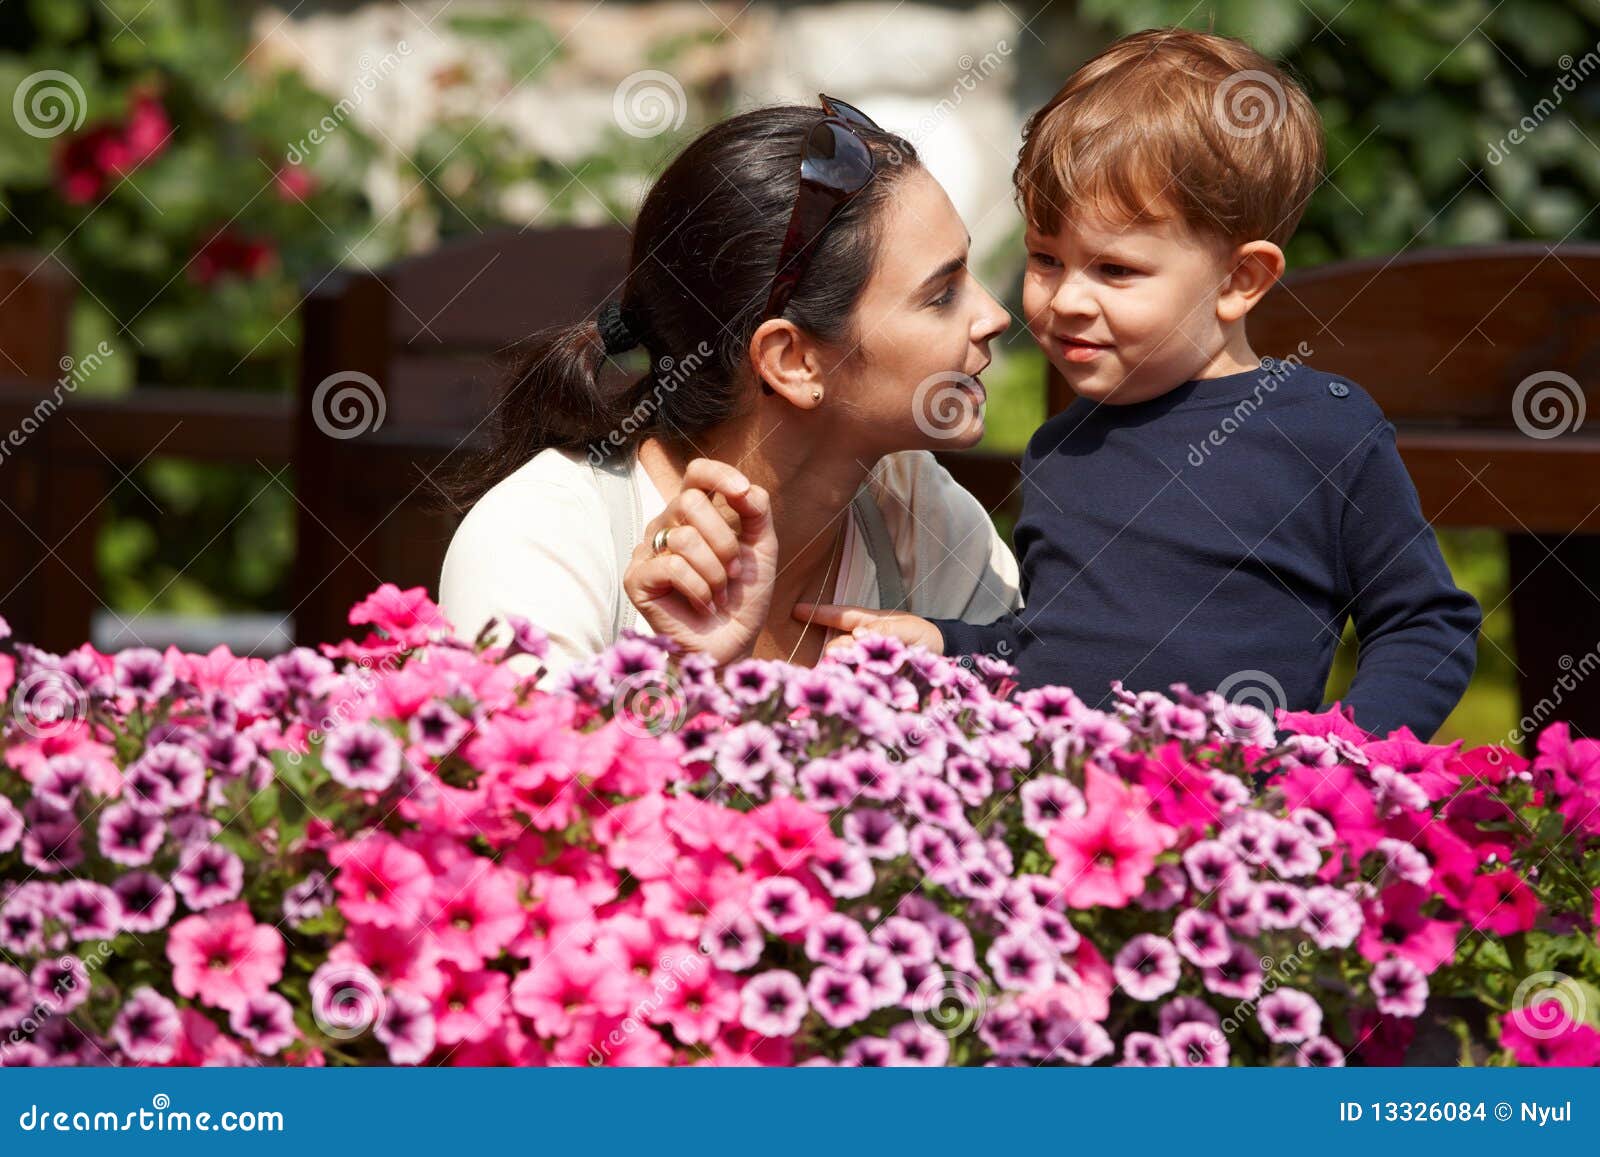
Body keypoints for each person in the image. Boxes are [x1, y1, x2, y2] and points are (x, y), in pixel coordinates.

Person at [799, 30, 1481, 740]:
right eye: (1045, 258)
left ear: (1238, 280)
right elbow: (1050, 652)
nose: (1065, 300)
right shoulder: (1062, 449)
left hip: (1234, 816)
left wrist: (1344, 757)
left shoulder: (1323, 431)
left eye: (1115, 270)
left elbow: (1424, 620)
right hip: (1078, 822)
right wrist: (945, 645)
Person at [439, 98, 1019, 676]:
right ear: (792, 361)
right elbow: (524, 766)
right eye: (941, 295)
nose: (995, 315)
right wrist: (690, 680)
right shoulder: (542, 546)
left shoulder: (918, 516)